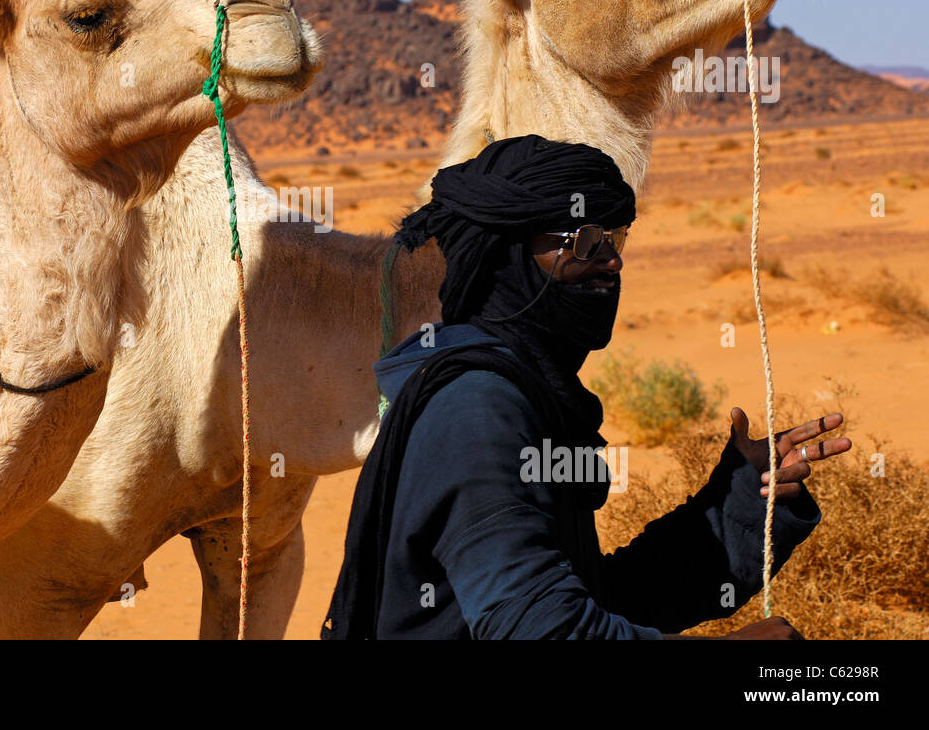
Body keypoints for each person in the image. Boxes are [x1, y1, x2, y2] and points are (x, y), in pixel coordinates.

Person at [322, 134, 851, 640]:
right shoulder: (477, 407)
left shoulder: (522, 388)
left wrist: (740, 501)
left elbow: (596, 600)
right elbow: (540, 629)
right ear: (506, 253)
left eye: (616, 238)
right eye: (586, 242)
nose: (613, 262)